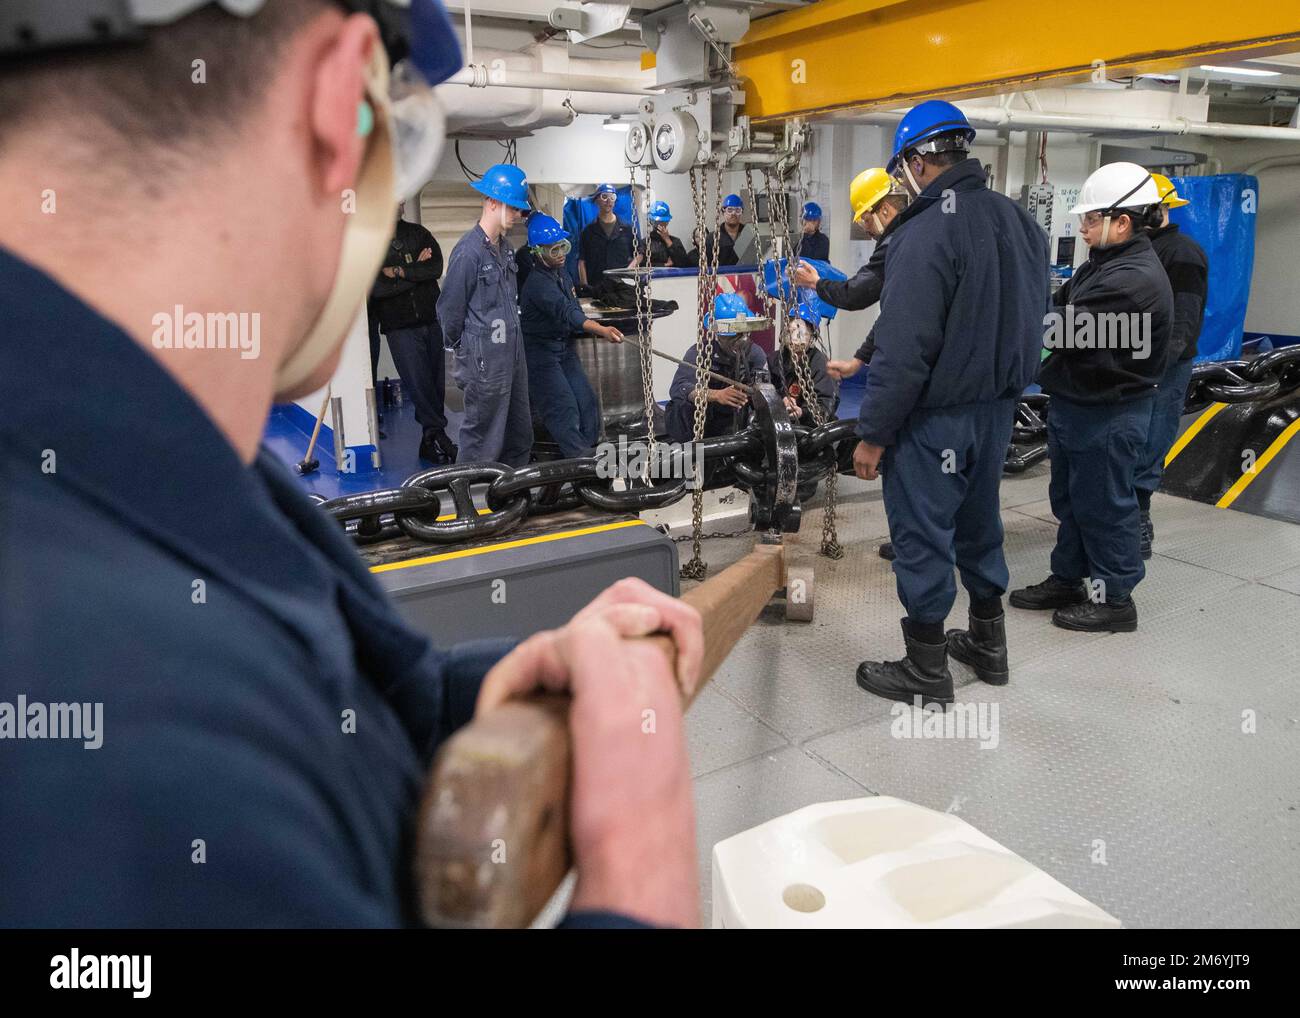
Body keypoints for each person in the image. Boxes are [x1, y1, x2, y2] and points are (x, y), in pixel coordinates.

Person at [0, 0, 702, 929]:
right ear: (341, 114)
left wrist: (473, 694)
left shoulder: (148, 477)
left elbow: (327, 708)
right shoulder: (130, 739)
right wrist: (640, 864)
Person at [851, 100, 1049, 706]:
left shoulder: (922, 232)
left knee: (922, 536)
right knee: (979, 522)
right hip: (998, 412)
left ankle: (926, 670)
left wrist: (874, 432)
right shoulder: (1020, 222)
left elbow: (906, 349)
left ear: (914, 162)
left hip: (935, 421)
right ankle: (990, 646)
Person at [1011, 163, 1173, 633]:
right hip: (1079, 404)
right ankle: (1069, 579)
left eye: (1089, 219)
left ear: (1121, 221)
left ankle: (1115, 599)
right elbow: (1060, 313)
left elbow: (1057, 329)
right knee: (1073, 501)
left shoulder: (1131, 280)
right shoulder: (1102, 265)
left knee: (1104, 506)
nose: (1080, 228)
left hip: (1108, 412)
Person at [437, 163, 533, 466]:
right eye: (514, 208)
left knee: (520, 434)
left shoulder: (504, 249)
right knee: (483, 437)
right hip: (484, 360)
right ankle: (471, 501)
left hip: (512, 356)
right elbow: (448, 311)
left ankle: (509, 497)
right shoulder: (468, 253)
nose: (518, 215)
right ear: (492, 202)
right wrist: (467, 352)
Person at [1136, 173, 1208, 558]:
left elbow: (1182, 321)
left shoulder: (1180, 253)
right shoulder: (1131, 252)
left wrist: (1153, 368)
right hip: (1130, 365)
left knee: (1150, 439)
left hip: (1161, 369)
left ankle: (1138, 519)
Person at [518, 213, 625, 457]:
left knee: (587, 403)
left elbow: (574, 307)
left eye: (563, 247)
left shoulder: (562, 275)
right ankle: (580, 463)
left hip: (563, 349)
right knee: (563, 407)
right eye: (554, 249)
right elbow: (566, 312)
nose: (561, 254)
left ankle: (586, 454)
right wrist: (601, 330)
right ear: (537, 253)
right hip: (540, 354)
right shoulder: (537, 284)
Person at [792, 168, 909, 382]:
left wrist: (816, 283)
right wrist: (859, 360)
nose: (865, 228)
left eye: (865, 219)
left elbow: (855, 293)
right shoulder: (910, 234)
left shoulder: (897, 244)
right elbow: (891, 313)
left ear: (884, 210)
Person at [370, 201, 456, 463]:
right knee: (418, 384)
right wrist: (416, 275)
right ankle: (437, 434)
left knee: (435, 382)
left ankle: (431, 437)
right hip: (400, 327)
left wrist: (397, 272)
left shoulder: (419, 234)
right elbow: (376, 288)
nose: (398, 203)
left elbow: (435, 268)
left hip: (431, 320)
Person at [665, 294, 767, 444]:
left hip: (733, 423)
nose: (740, 340)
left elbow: (766, 392)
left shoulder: (755, 354)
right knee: (682, 406)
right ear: (718, 334)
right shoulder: (699, 352)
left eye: (743, 334)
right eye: (732, 336)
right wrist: (716, 395)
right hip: (698, 424)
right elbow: (680, 388)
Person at [767, 303, 838, 424]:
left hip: (810, 428)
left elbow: (825, 405)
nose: (795, 338)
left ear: (812, 335)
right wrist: (781, 399)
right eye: (791, 331)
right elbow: (765, 389)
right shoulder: (774, 359)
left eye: (801, 333)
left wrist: (802, 412)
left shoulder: (821, 365)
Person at [578, 182, 638, 287]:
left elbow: (640, 252)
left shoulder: (627, 229)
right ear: (597, 200)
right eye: (604, 196)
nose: (608, 201)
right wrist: (585, 285)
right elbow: (582, 261)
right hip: (597, 286)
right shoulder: (588, 232)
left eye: (612, 197)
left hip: (622, 285)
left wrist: (628, 271)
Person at [642, 200, 690, 267]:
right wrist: (663, 265)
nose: (661, 224)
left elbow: (685, 263)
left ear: (667, 222)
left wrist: (668, 240)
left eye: (664, 221)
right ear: (651, 221)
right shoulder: (645, 243)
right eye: (658, 221)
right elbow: (640, 265)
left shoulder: (675, 241)